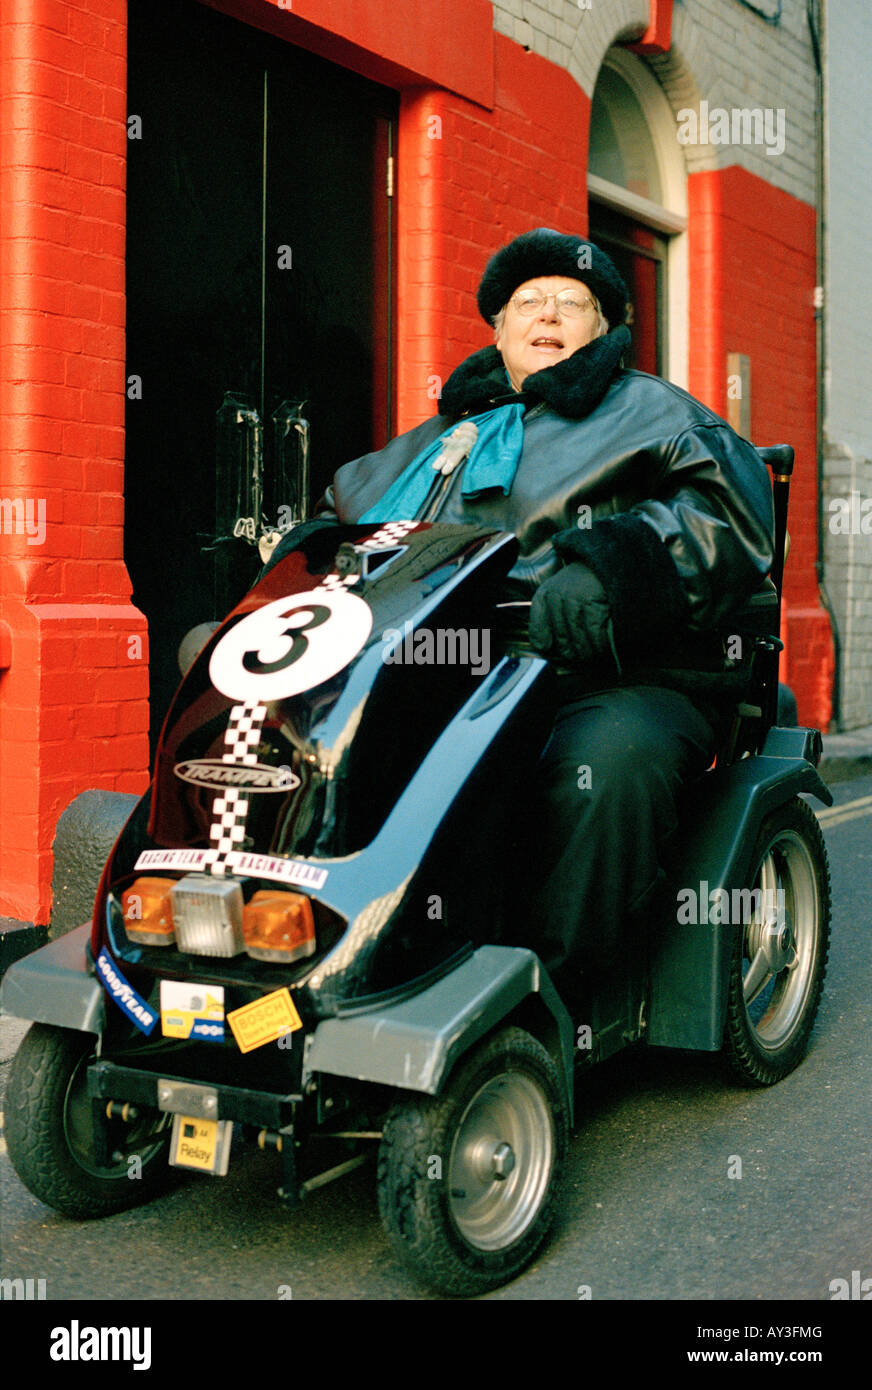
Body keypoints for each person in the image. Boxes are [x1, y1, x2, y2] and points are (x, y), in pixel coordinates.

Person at [280, 228, 775, 980]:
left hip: (611, 676)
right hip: (447, 676)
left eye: (570, 303)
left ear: (603, 329)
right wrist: (303, 558)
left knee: (610, 767)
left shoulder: (654, 413)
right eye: (528, 303)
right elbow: (349, 512)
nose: (547, 313)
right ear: (499, 331)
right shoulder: (440, 438)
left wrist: (611, 568)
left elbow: (732, 517)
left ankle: (554, 998)